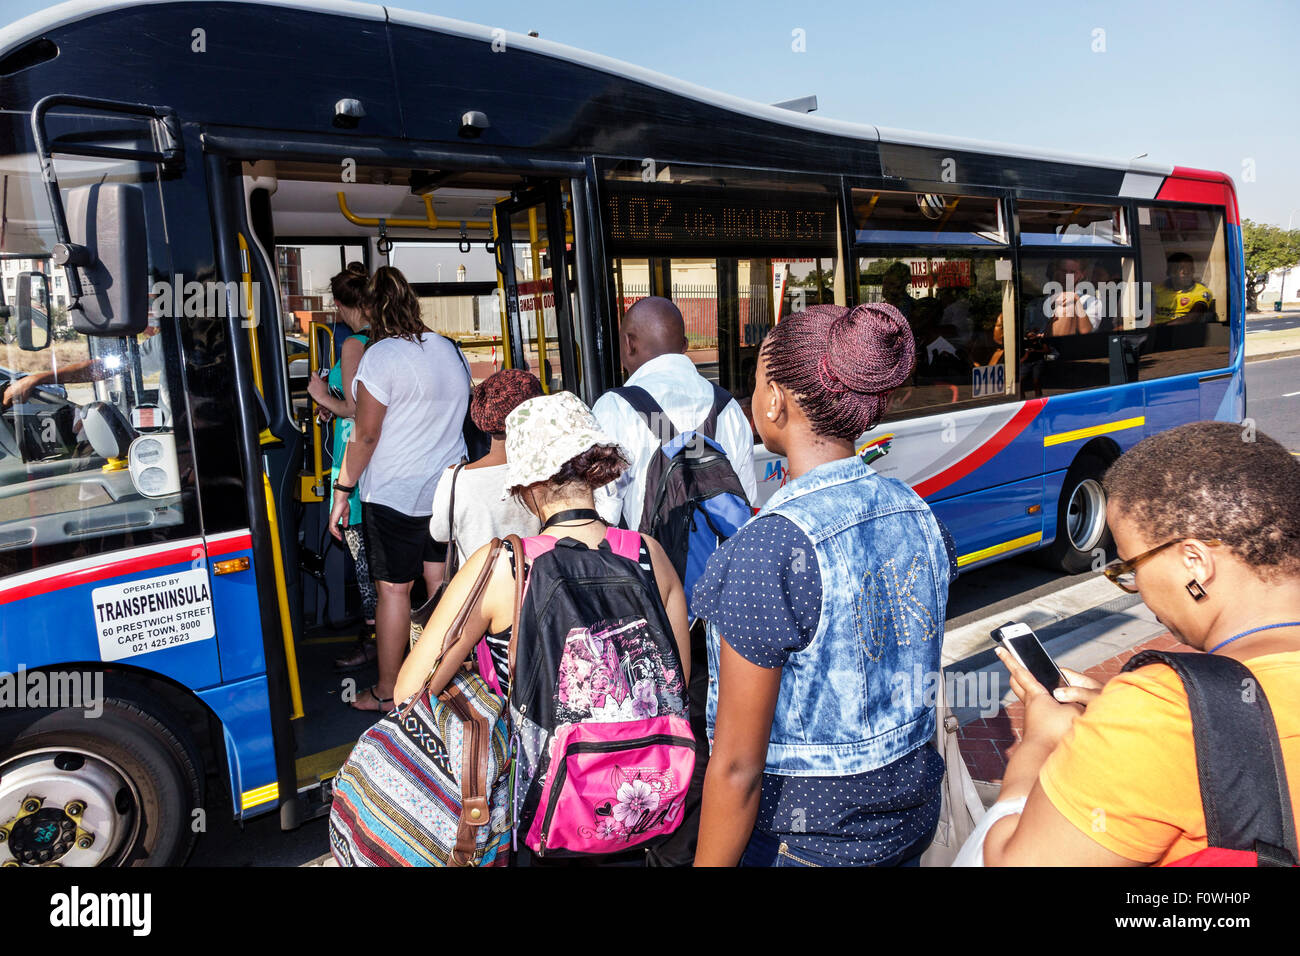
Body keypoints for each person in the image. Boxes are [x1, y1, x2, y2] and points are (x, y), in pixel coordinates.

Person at [693, 302, 954, 867]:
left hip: (810, 843)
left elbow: (738, 768)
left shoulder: (770, 546)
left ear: (775, 400)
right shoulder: (917, 512)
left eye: (758, 380)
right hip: (908, 821)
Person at [972, 421, 1300, 866]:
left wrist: (1043, 742)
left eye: (1131, 566)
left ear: (1195, 564)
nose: (1138, 590)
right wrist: (1203, 718)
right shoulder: (1169, 716)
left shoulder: (1157, 715)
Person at [394, 390, 691, 865]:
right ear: (596, 470)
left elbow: (409, 690)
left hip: (548, 816)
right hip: (649, 808)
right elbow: (674, 682)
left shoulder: (505, 567)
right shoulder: (648, 555)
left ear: (528, 486)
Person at [329, 265, 469, 712]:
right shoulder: (449, 350)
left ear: (372, 309)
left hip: (394, 494)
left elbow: (366, 435)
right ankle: (447, 678)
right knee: (440, 582)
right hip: (447, 488)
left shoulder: (380, 356)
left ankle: (390, 690)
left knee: (394, 590)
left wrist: (342, 489)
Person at [591, 295, 757, 530]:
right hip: (722, 562)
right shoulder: (726, 407)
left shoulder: (615, 407)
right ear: (685, 346)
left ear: (629, 343)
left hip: (645, 564)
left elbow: (604, 513)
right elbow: (746, 499)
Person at [306, 264, 379, 670]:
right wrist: (328, 408)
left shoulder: (354, 343)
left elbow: (354, 409)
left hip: (354, 465)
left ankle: (374, 643)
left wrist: (320, 394)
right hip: (379, 463)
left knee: (364, 563)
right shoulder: (385, 338)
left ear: (338, 305)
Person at [430, 368, 543, 565]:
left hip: (480, 589)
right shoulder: (546, 472)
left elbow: (440, 533)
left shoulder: (455, 479)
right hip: (538, 588)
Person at [1153, 252, 1215, 324]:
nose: (1186, 272)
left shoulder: (1201, 291)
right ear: (1170, 272)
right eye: (1181, 268)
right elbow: (1142, 318)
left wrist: (1158, 328)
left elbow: (1192, 318)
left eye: (1190, 268)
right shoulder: (1154, 291)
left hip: (1184, 331)